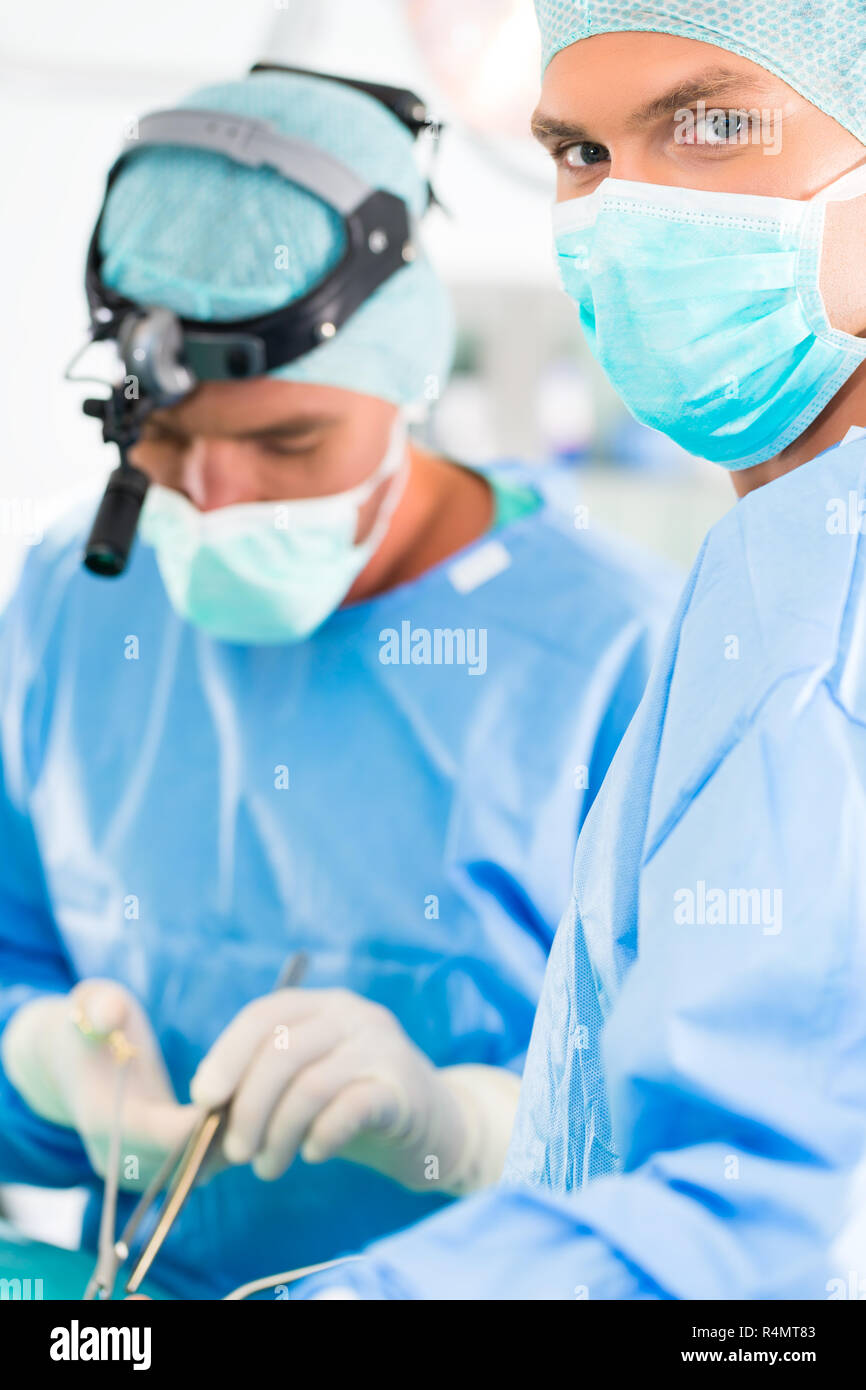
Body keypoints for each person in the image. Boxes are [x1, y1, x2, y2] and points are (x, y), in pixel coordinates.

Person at [0, 68, 674, 1300]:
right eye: (163, 439)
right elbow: (13, 947)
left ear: (404, 383)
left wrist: (467, 1132)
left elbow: (734, 1127)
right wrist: (36, 1061)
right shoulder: (73, 596)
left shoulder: (622, 650)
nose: (213, 495)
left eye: (287, 442)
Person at [288, 1, 866, 1300]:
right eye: (580, 155)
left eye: (714, 123)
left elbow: (770, 1240)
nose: (622, 217)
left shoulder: (831, 610)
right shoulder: (770, 572)